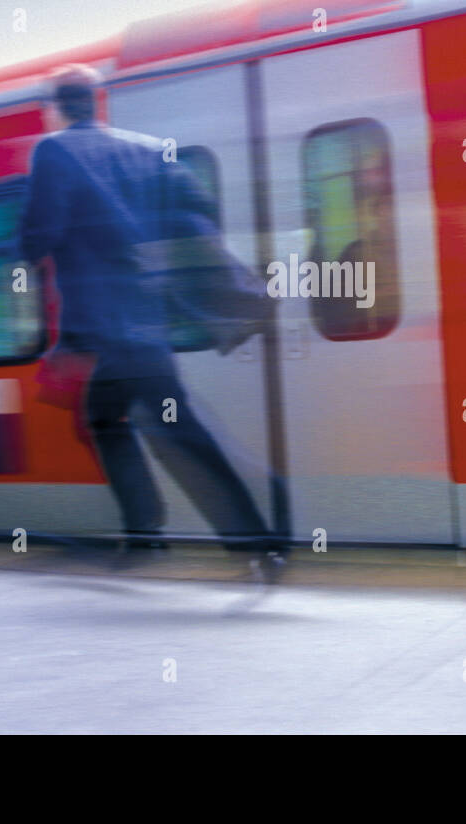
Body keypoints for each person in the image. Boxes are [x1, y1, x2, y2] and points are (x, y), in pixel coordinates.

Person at [19, 64, 284, 579]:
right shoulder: (148, 148)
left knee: (171, 429)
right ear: (96, 100)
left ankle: (249, 542)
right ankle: (158, 535)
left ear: (57, 105)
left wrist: (30, 246)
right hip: (145, 322)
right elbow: (198, 209)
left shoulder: (54, 151)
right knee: (109, 418)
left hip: (108, 328)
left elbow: (38, 235)